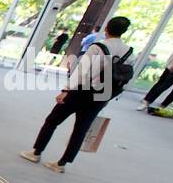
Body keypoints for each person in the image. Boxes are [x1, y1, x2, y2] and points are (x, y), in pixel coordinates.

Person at [21, 16, 132, 174]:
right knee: (81, 129)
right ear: (124, 32)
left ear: (107, 28)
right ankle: (61, 164)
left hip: (82, 91)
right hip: (102, 95)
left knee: (52, 120)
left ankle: (36, 152)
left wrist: (66, 90)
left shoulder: (98, 47)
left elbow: (81, 71)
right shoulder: (129, 52)